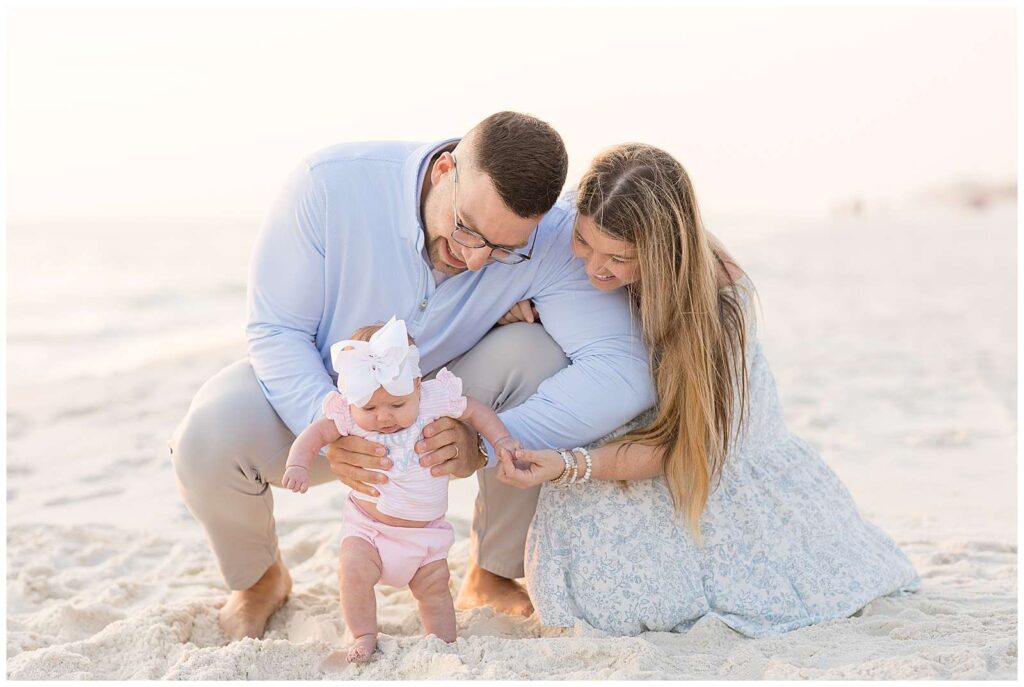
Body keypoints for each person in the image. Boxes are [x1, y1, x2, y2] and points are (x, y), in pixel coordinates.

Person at [168, 112, 655, 640]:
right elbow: (276, 331)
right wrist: (332, 426)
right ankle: (260, 580)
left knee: (536, 351)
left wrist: (481, 445)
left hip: (445, 405)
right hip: (326, 396)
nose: (474, 260)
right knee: (206, 435)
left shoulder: (553, 238)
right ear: (445, 169)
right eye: (467, 230)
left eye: (502, 251)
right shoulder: (328, 185)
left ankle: (490, 571)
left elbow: (623, 369)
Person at [496, 143, 921, 636]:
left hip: (700, 444)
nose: (594, 269)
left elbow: (678, 446)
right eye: (584, 243)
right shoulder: (576, 223)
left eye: (619, 258)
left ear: (662, 252)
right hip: (631, 418)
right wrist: (517, 303)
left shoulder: (714, 304)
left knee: (613, 598)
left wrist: (570, 465)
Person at [282, 317, 520, 662]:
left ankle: (443, 645)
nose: (384, 417)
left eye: (396, 405)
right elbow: (314, 435)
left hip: (425, 538)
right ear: (351, 399)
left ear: (418, 386)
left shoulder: (435, 402)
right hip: (369, 530)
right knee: (353, 574)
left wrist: (501, 439)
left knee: (435, 590)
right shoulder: (347, 415)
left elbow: (477, 411)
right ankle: (363, 634)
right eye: (370, 408)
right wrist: (297, 465)